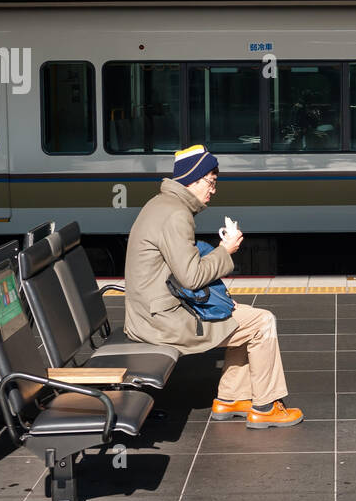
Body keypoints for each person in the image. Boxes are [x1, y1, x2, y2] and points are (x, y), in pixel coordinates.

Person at [123, 144, 302, 429]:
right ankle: (266, 407)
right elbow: (192, 277)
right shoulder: (175, 215)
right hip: (161, 321)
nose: (213, 190)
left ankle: (232, 399)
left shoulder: (161, 204)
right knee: (262, 322)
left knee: (241, 318)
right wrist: (226, 249)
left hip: (151, 312)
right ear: (192, 179)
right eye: (211, 182)